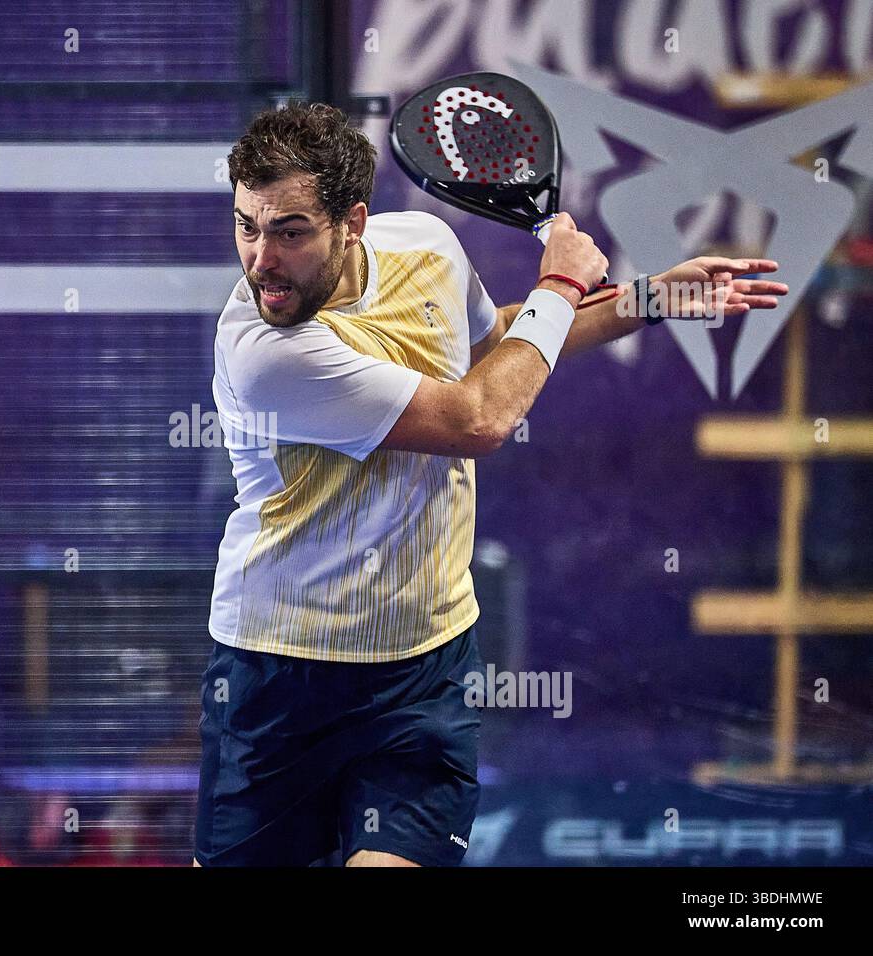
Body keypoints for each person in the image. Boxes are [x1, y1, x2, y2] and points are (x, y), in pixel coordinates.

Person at [193, 102, 787, 867]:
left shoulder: (427, 247)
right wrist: (562, 282)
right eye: (247, 226)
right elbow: (480, 415)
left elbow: (499, 345)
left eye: (290, 231)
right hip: (277, 677)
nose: (261, 259)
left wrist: (641, 301)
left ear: (354, 223)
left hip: (422, 668)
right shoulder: (264, 354)